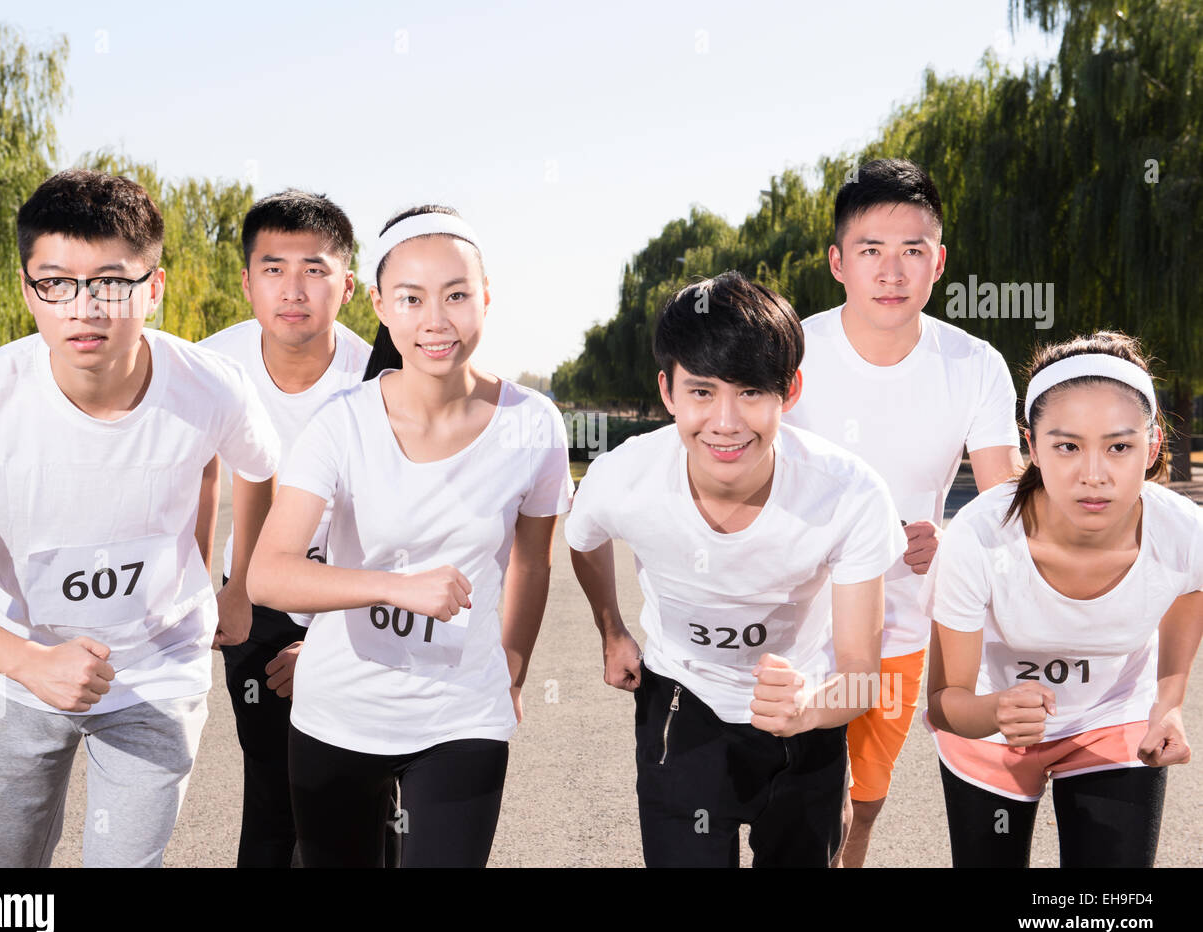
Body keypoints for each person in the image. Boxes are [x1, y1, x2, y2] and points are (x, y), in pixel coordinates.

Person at [0, 169, 280, 867]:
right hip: (15, 666)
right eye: (57, 283)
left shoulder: (211, 386)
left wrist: (237, 581)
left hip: (158, 669)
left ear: (155, 288)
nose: (85, 307)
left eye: (112, 281)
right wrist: (27, 662)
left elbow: (258, 466)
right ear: (27, 289)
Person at [247, 205, 573, 867]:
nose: (435, 319)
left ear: (485, 297)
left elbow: (532, 563)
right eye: (411, 298)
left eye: (456, 295)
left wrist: (511, 668)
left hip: (463, 718)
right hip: (338, 715)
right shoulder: (340, 425)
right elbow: (269, 573)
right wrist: (399, 589)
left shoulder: (532, 425)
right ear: (379, 305)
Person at [563, 271, 906, 867]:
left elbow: (860, 674)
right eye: (701, 392)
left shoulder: (848, 494)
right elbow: (583, 539)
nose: (725, 422)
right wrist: (612, 631)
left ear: (789, 391)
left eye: (750, 392)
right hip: (682, 698)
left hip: (807, 707)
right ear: (667, 391)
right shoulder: (623, 477)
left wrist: (808, 709)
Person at [780, 158, 1023, 867]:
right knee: (807, 789)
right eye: (871, 251)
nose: (892, 272)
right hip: (798, 610)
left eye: (912, 251)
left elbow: (1003, 503)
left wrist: (951, 539)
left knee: (869, 789)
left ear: (938, 261)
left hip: (904, 613)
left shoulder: (974, 364)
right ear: (837, 261)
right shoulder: (790, 350)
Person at [922, 331, 1203, 868]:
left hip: (1112, 717)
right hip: (989, 728)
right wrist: (992, 711)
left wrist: (1167, 709)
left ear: (1153, 446)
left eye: (1119, 446)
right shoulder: (979, 536)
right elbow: (942, 702)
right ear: (1031, 445)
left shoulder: (1186, 533)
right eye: (1067, 446)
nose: (1093, 475)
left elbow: (1190, 591)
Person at [199, 189, 371, 868]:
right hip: (254, 603)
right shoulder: (212, 365)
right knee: (273, 796)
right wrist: (210, 593)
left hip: (354, 608)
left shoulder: (381, 373)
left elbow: (401, 524)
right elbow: (196, 481)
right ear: (246, 282)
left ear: (349, 286)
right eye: (273, 269)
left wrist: (333, 645)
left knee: (351, 798)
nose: (293, 289)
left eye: (315, 269)